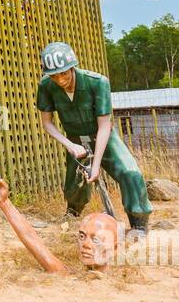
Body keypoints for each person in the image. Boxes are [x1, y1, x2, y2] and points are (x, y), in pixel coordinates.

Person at [35, 41, 151, 235]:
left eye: (64, 73)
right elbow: (47, 123)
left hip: (103, 136)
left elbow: (105, 125)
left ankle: (139, 224)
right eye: (54, 76)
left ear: (73, 67)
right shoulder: (46, 86)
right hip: (75, 139)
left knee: (130, 173)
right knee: (74, 185)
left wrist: (96, 165)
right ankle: (72, 214)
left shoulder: (97, 82)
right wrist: (70, 144)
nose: (60, 80)